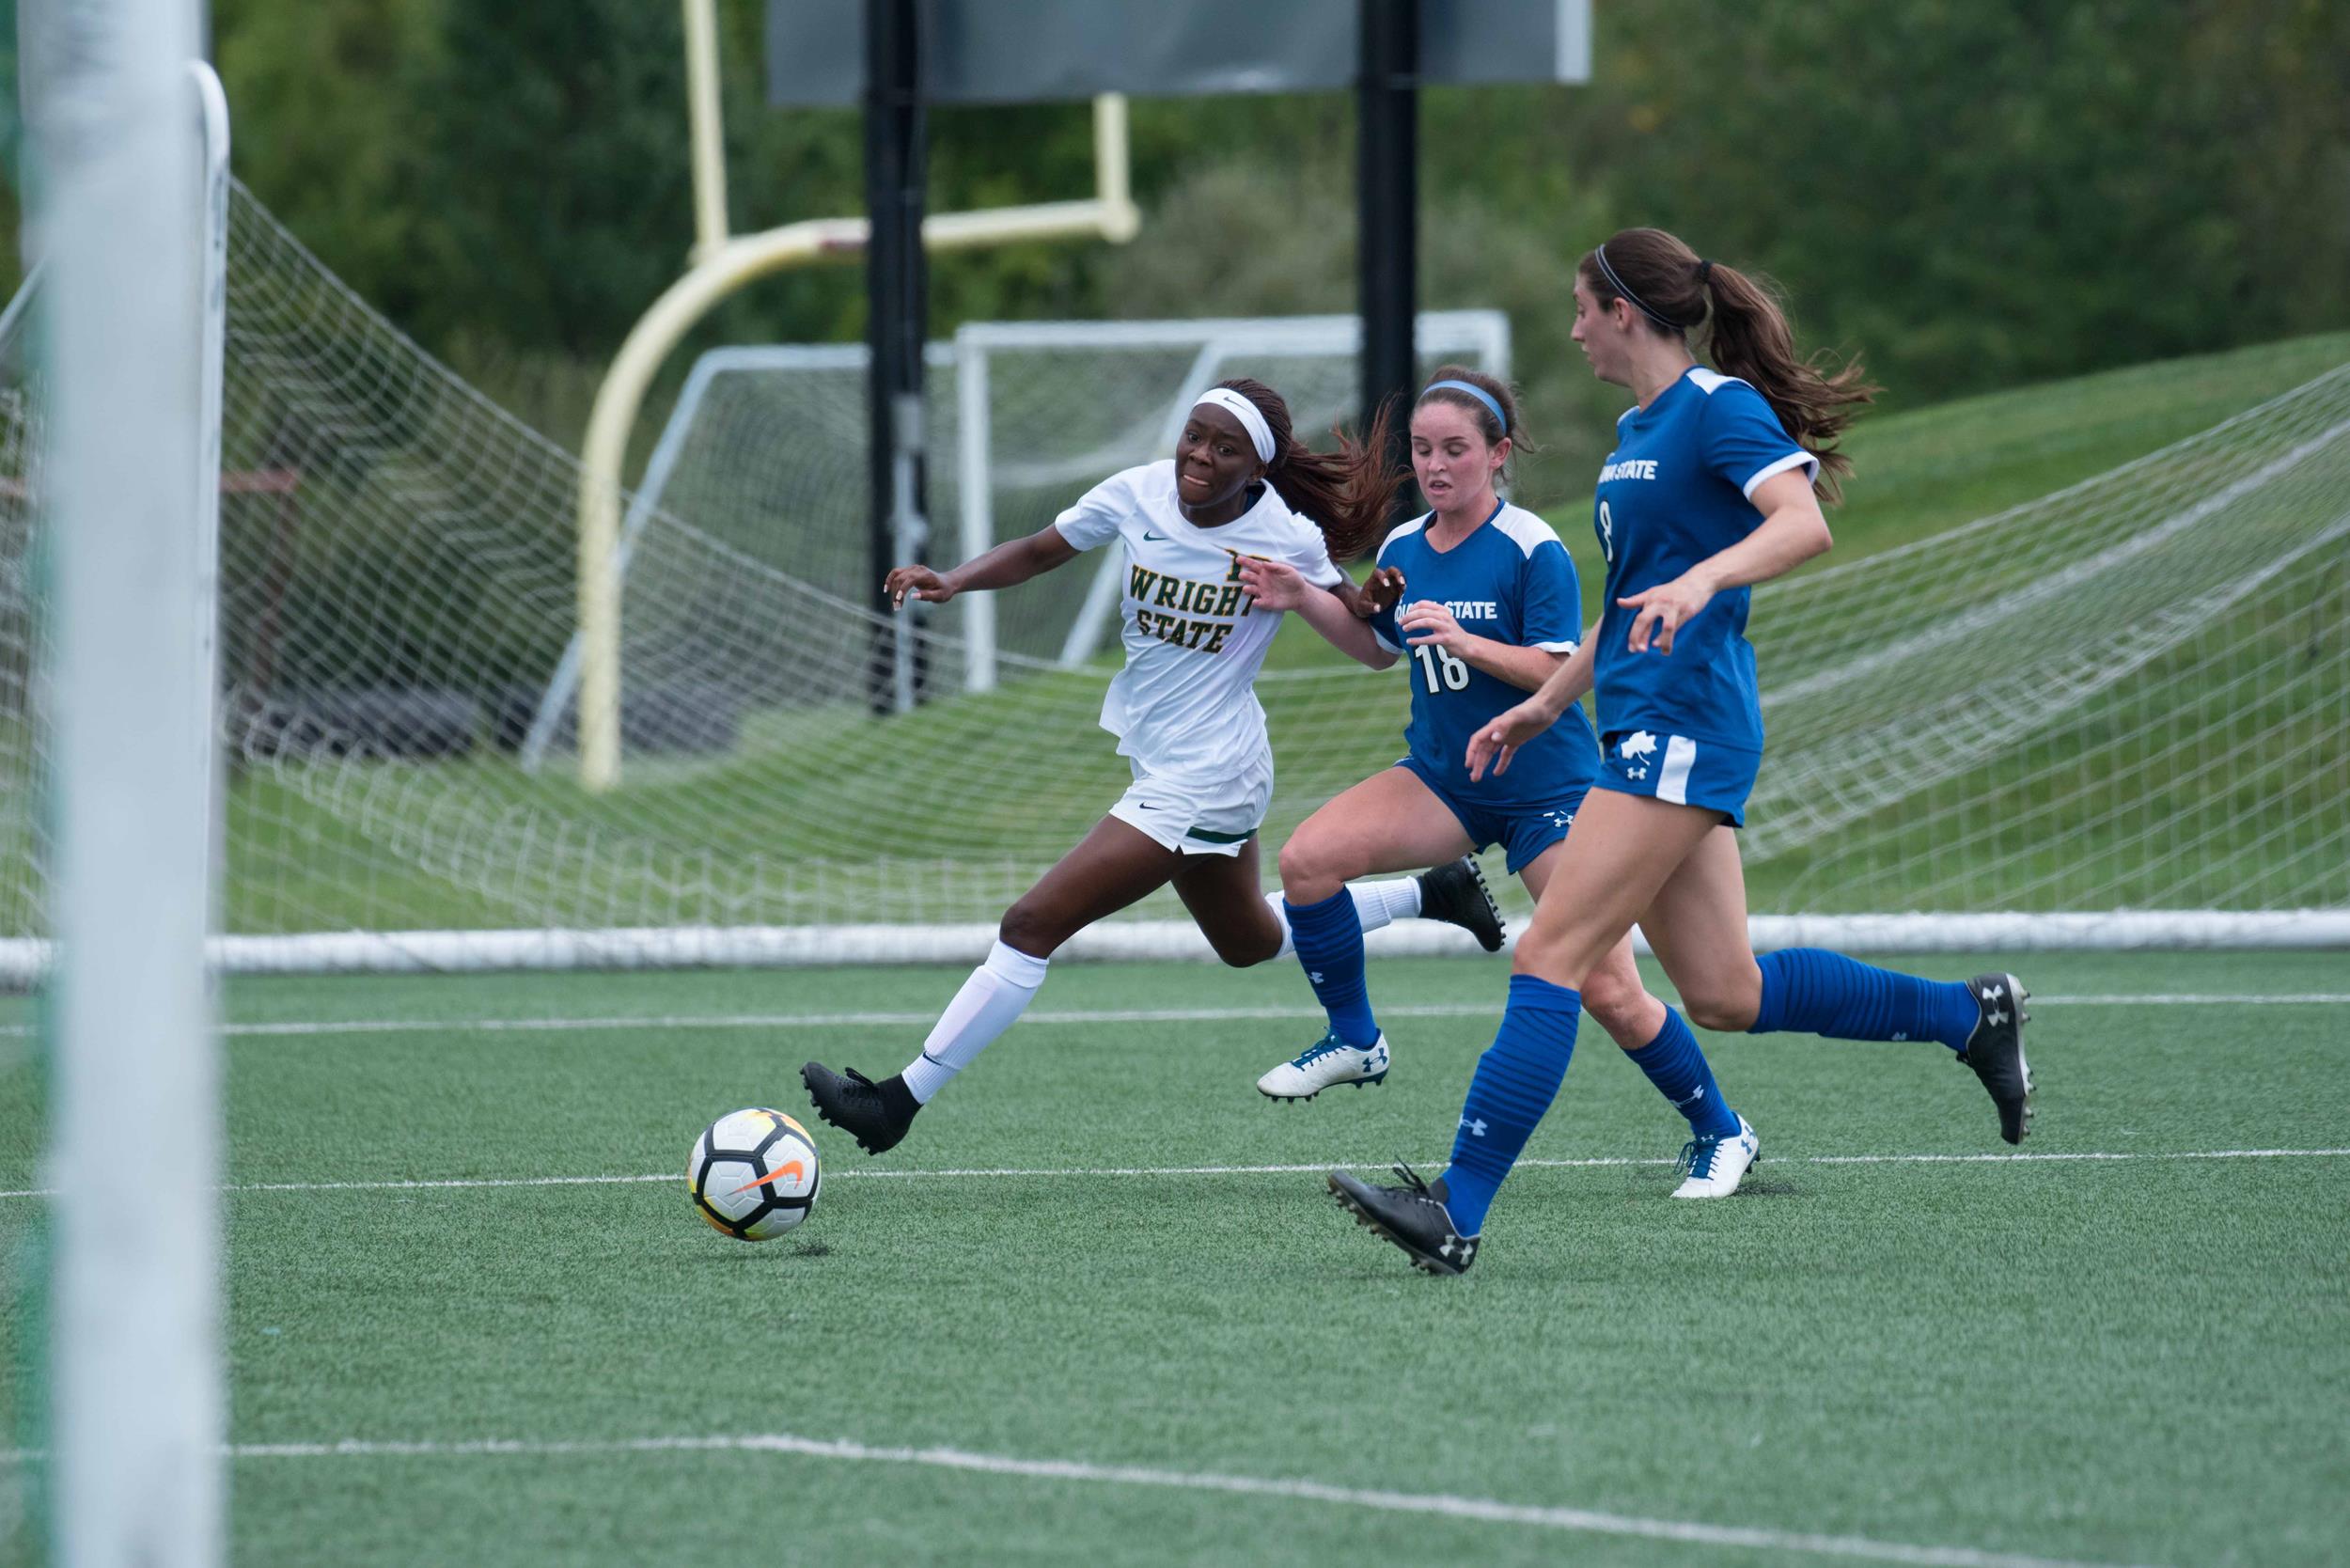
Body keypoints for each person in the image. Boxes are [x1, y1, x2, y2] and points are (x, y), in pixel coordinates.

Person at [1329, 229, 2036, 1275]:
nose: (1571, 330)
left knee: (1549, 954)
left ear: (1624, 311)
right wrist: (1541, 706)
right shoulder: (1633, 432)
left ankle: (1456, 1210)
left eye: (1581, 309)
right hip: (1640, 722)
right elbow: (1621, 611)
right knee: (1722, 991)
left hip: (1686, 725)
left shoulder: (1718, 409)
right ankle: (1967, 1015)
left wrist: (1706, 582)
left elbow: (1802, 525)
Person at [801, 380, 1503, 1155]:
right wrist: (955, 579)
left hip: (1211, 772)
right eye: (1194, 435)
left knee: (1030, 924)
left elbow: (1370, 645)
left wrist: (1367, 601)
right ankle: (1430, 890)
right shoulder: (1136, 494)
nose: (1199, 455)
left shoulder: (1285, 535)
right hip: (1164, 761)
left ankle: (898, 1100)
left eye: (1224, 448)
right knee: (1250, 942)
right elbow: (1039, 551)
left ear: (1256, 470)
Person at [1245, 367, 1761, 1200]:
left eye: (1456, 450)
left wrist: (1465, 639)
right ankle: (1355, 1040)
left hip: (1550, 794)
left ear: (1498, 455)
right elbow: (1379, 647)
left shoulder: (1533, 547)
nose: (1437, 466)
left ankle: (1722, 1130)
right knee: (1307, 861)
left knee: (1608, 989)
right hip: (1449, 780)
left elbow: (1559, 672)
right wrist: (1303, 594)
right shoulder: (1405, 548)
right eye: (1423, 450)